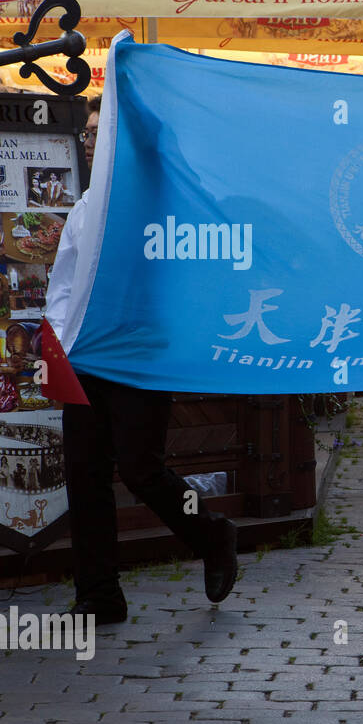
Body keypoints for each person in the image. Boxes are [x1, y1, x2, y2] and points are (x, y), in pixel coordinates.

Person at [46, 93, 239, 626]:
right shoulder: (85, 207)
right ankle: (100, 593)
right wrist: (62, 344)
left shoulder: (160, 205)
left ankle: (210, 531)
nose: (88, 144)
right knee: (84, 475)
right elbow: (64, 281)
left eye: (96, 135)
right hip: (86, 356)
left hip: (138, 355)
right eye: (85, 135)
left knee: (140, 468)